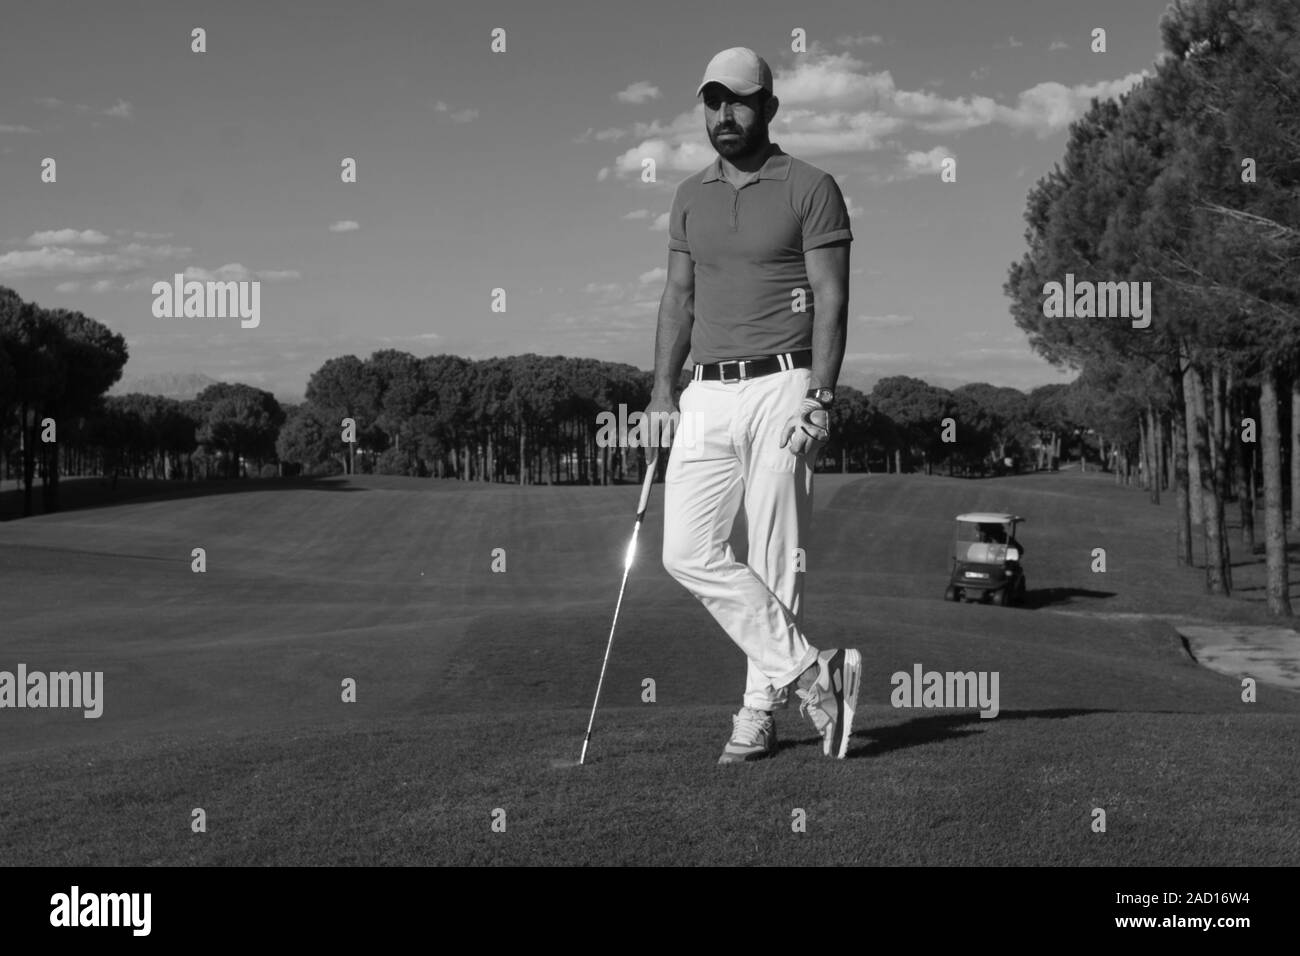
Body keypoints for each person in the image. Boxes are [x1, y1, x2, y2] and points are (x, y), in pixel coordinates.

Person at [643, 47, 861, 763]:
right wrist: (660, 392)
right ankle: (808, 668)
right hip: (706, 388)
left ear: (768, 106)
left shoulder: (811, 186)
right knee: (684, 551)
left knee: (774, 557)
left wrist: (821, 397)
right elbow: (678, 298)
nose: (723, 115)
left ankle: (757, 712)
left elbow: (832, 299)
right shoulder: (688, 195)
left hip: (785, 384)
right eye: (712, 101)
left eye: (737, 101)